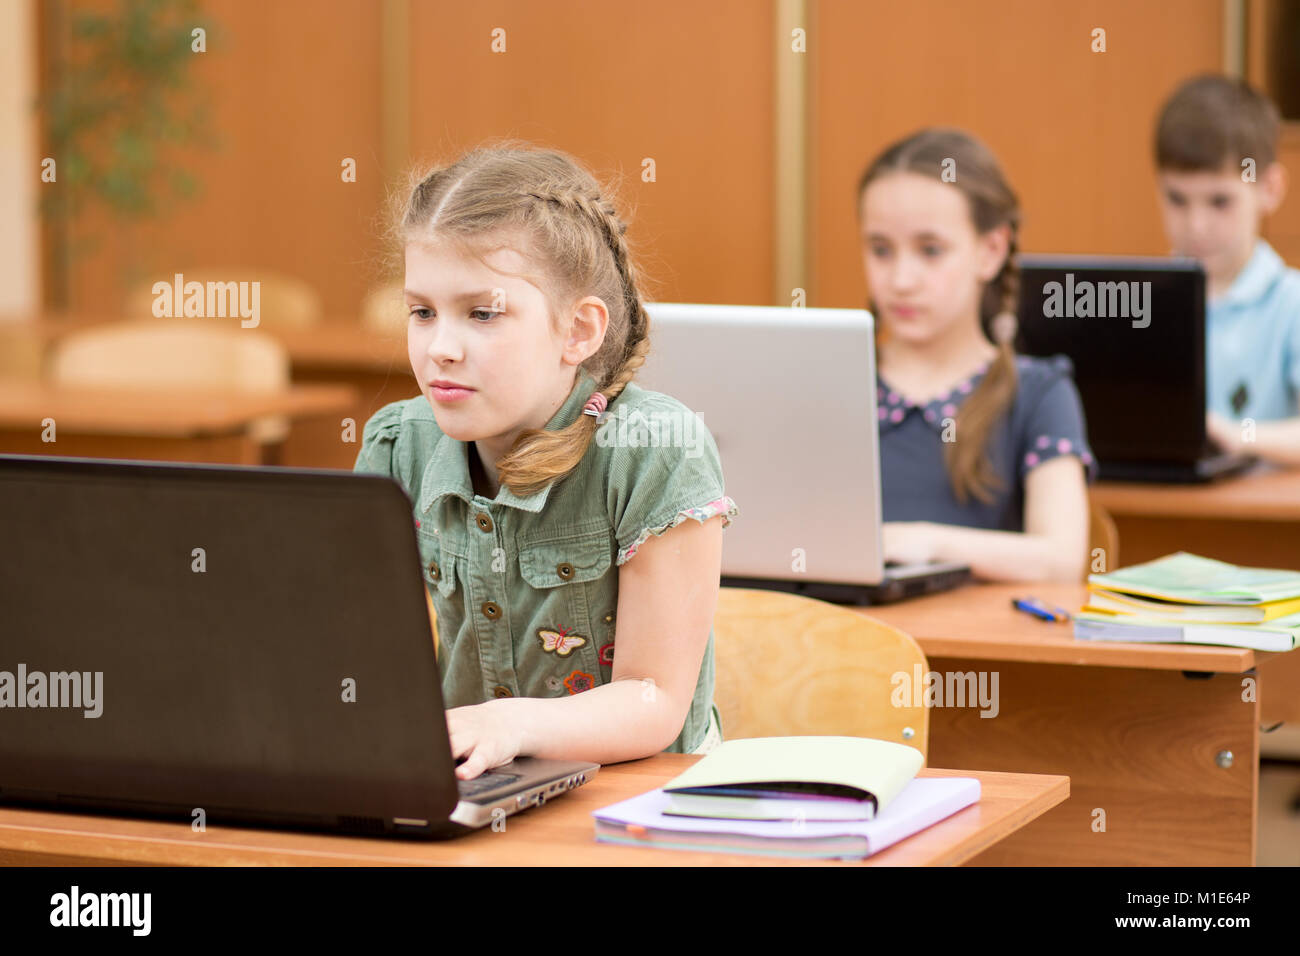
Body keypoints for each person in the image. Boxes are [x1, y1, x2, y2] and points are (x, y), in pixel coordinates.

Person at [355, 143, 737, 779]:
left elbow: (656, 702)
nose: (440, 348)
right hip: (475, 794)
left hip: (641, 808)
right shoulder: (399, 443)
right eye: (421, 312)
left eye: (482, 313)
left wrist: (510, 724)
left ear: (579, 332)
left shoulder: (657, 450)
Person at [858, 127, 1094, 582]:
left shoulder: (1040, 392)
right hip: (831, 644)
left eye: (930, 250)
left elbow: (1063, 560)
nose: (902, 279)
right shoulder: (832, 385)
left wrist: (927, 541)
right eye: (880, 250)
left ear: (990, 251)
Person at [1153, 74, 1300, 466]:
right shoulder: (1141, 299)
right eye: (1177, 200)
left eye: (1220, 202)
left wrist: (1238, 436)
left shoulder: (1290, 303)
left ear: (1269, 189)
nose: (1196, 226)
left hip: (1258, 522)